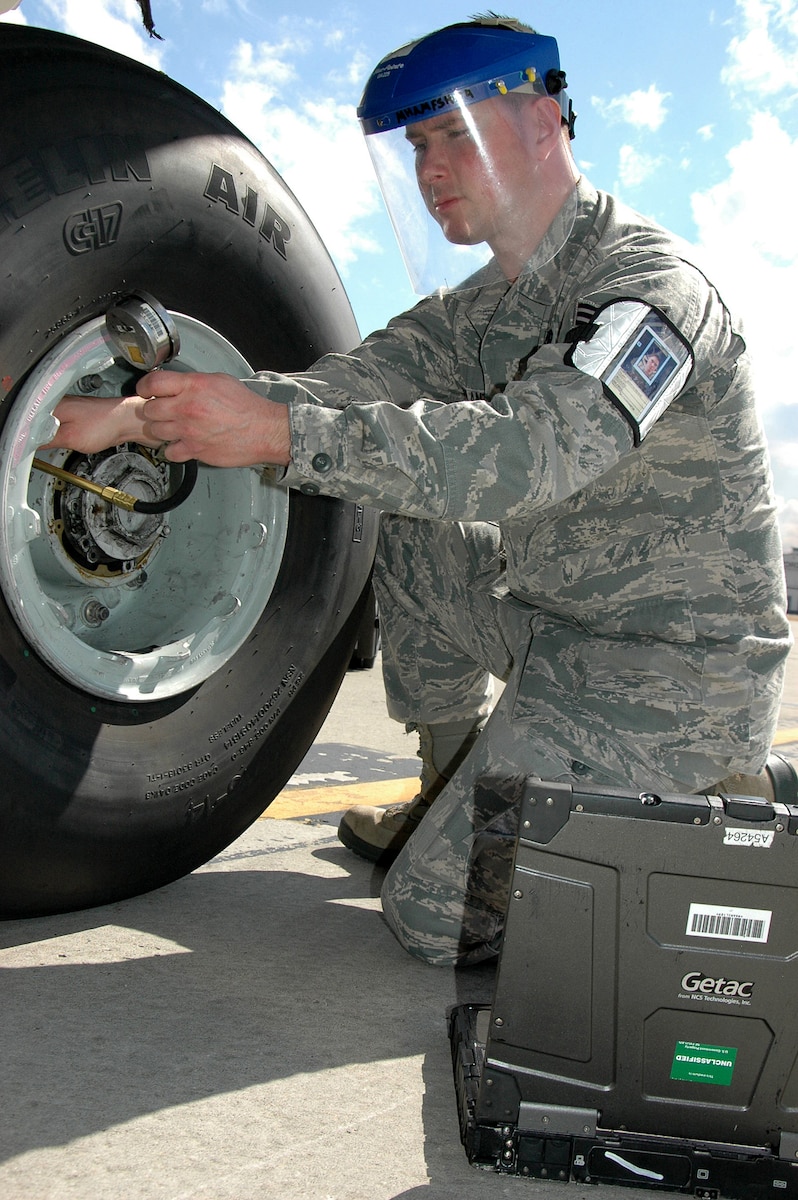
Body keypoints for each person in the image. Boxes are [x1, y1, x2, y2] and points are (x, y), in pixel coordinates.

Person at [47, 17, 791, 968]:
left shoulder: (654, 290)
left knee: (434, 919)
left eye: (453, 134)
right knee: (393, 509)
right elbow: (333, 394)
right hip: (551, 622)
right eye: (417, 145)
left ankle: (729, 788)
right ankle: (449, 780)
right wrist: (129, 417)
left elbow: (538, 453)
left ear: (543, 118)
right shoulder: (473, 309)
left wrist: (278, 435)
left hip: (675, 666)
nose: (431, 167)